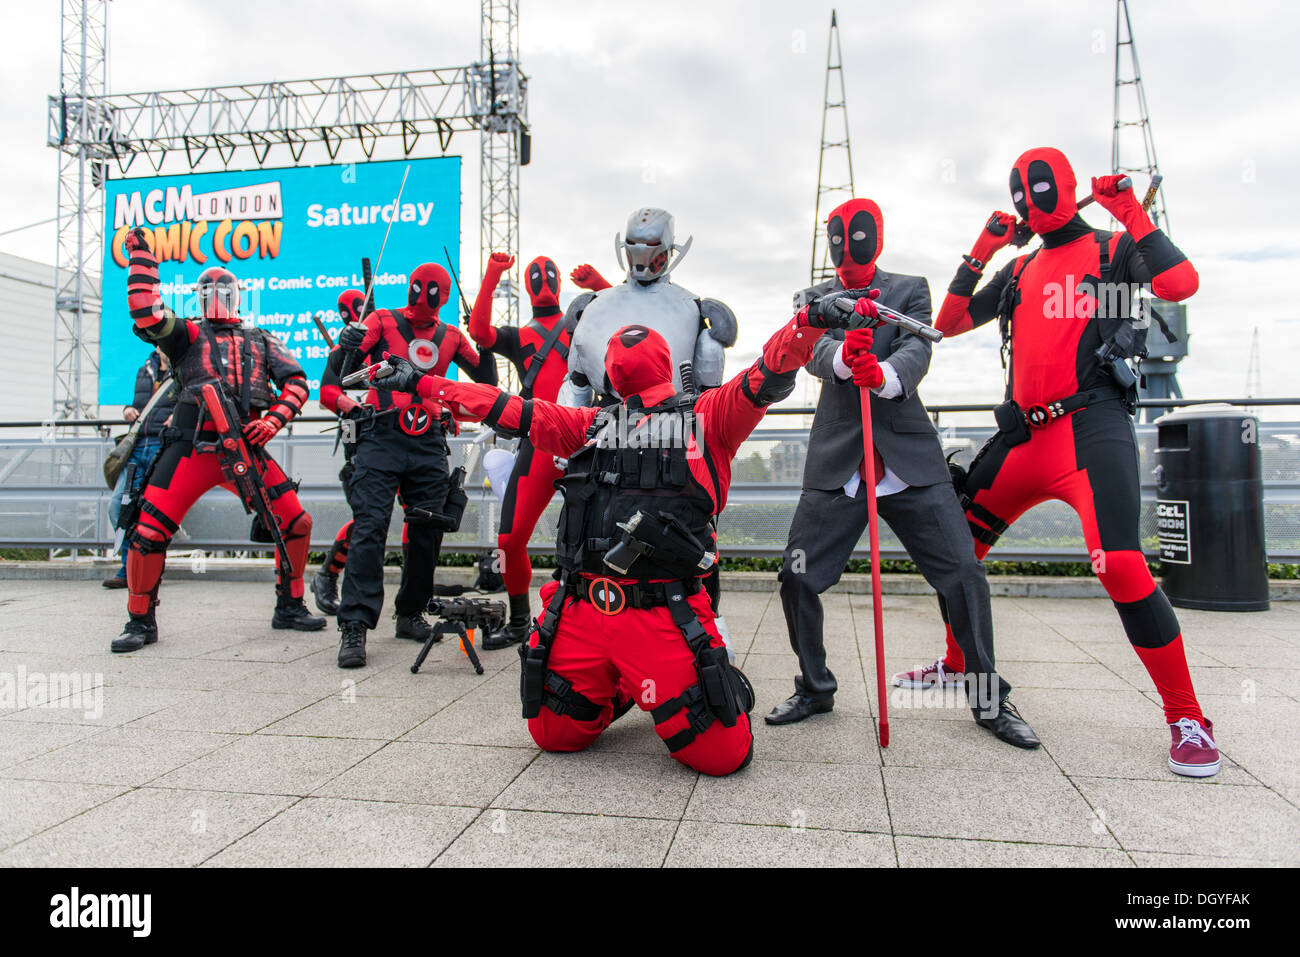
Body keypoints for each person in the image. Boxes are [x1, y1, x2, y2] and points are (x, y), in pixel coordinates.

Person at [364, 299, 853, 776]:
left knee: (723, 756)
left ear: (610, 374)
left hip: (660, 612)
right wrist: (808, 322)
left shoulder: (678, 419)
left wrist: (421, 381)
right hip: (588, 611)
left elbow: (504, 408)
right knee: (554, 736)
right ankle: (631, 684)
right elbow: (769, 370)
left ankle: (660, 683)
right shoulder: (620, 423)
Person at [902, 147, 1219, 777]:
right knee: (955, 549)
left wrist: (1131, 214)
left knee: (1122, 565)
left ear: (1066, 186)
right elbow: (949, 320)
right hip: (1022, 437)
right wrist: (980, 250)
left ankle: (1187, 716)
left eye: (1039, 188)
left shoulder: (1113, 250)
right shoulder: (1019, 270)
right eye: (1019, 192)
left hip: (1089, 428)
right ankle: (960, 662)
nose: (1029, 201)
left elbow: (1181, 284)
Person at [768, 197, 1037, 749]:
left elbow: (919, 343)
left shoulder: (909, 288)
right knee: (797, 575)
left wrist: (884, 372)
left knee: (963, 573)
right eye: (837, 238)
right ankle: (815, 687)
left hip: (909, 459)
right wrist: (844, 360)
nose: (847, 247)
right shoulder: (817, 298)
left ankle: (988, 699)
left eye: (857, 236)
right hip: (840, 457)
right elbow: (809, 345)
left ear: (878, 237)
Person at [112, 228, 324, 653]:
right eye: (209, 289)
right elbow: (146, 313)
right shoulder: (187, 335)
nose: (217, 296)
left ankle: (290, 603)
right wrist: (142, 259)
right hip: (190, 444)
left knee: (296, 523)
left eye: (223, 289)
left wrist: (274, 421)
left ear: (237, 295)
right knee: (148, 532)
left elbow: (298, 381)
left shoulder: (261, 339)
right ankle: (140, 619)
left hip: (245, 444)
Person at [330, 263, 497, 669]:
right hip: (380, 434)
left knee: (428, 530)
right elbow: (340, 375)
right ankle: (354, 624)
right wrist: (348, 341)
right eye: (418, 289)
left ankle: (410, 613)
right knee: (369, 527)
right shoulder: (381, 319)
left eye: (428, 290)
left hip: (427, 439)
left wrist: (486, 339)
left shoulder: (452, 336)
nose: (421, 296)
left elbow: (487, 379)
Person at [464, 251, 571, 649]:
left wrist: (597, 286)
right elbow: (479, 332)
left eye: (549, 273)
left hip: (584, 441)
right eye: (537, 275)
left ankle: (591, 622)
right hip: (540, 440)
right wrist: (492, 274)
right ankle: (520, 620)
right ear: (528, 285)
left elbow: (620, 321)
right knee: (509, 540)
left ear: (559, 281)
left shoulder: (581, 323)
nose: (544, 279)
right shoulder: (521, 336)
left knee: (596, 539)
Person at [310, 289, 413, 618]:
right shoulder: (348, 348)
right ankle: (328, 575)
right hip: (365, 437)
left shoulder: (389, 345)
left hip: (405, 436)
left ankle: (411, 602)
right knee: (368, 519)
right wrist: (354, 408)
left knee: (416, 516)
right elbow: (328, 391)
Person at [104, 347, 176, 588]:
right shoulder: (144, 371)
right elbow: (138, 403)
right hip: (137, 445)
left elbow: (195, 403)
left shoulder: (184, 372)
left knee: (151, 511)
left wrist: (177, 416)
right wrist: (127, 409)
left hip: (162, 445)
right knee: (119, 507)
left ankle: (139, 569)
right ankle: (130, 567)